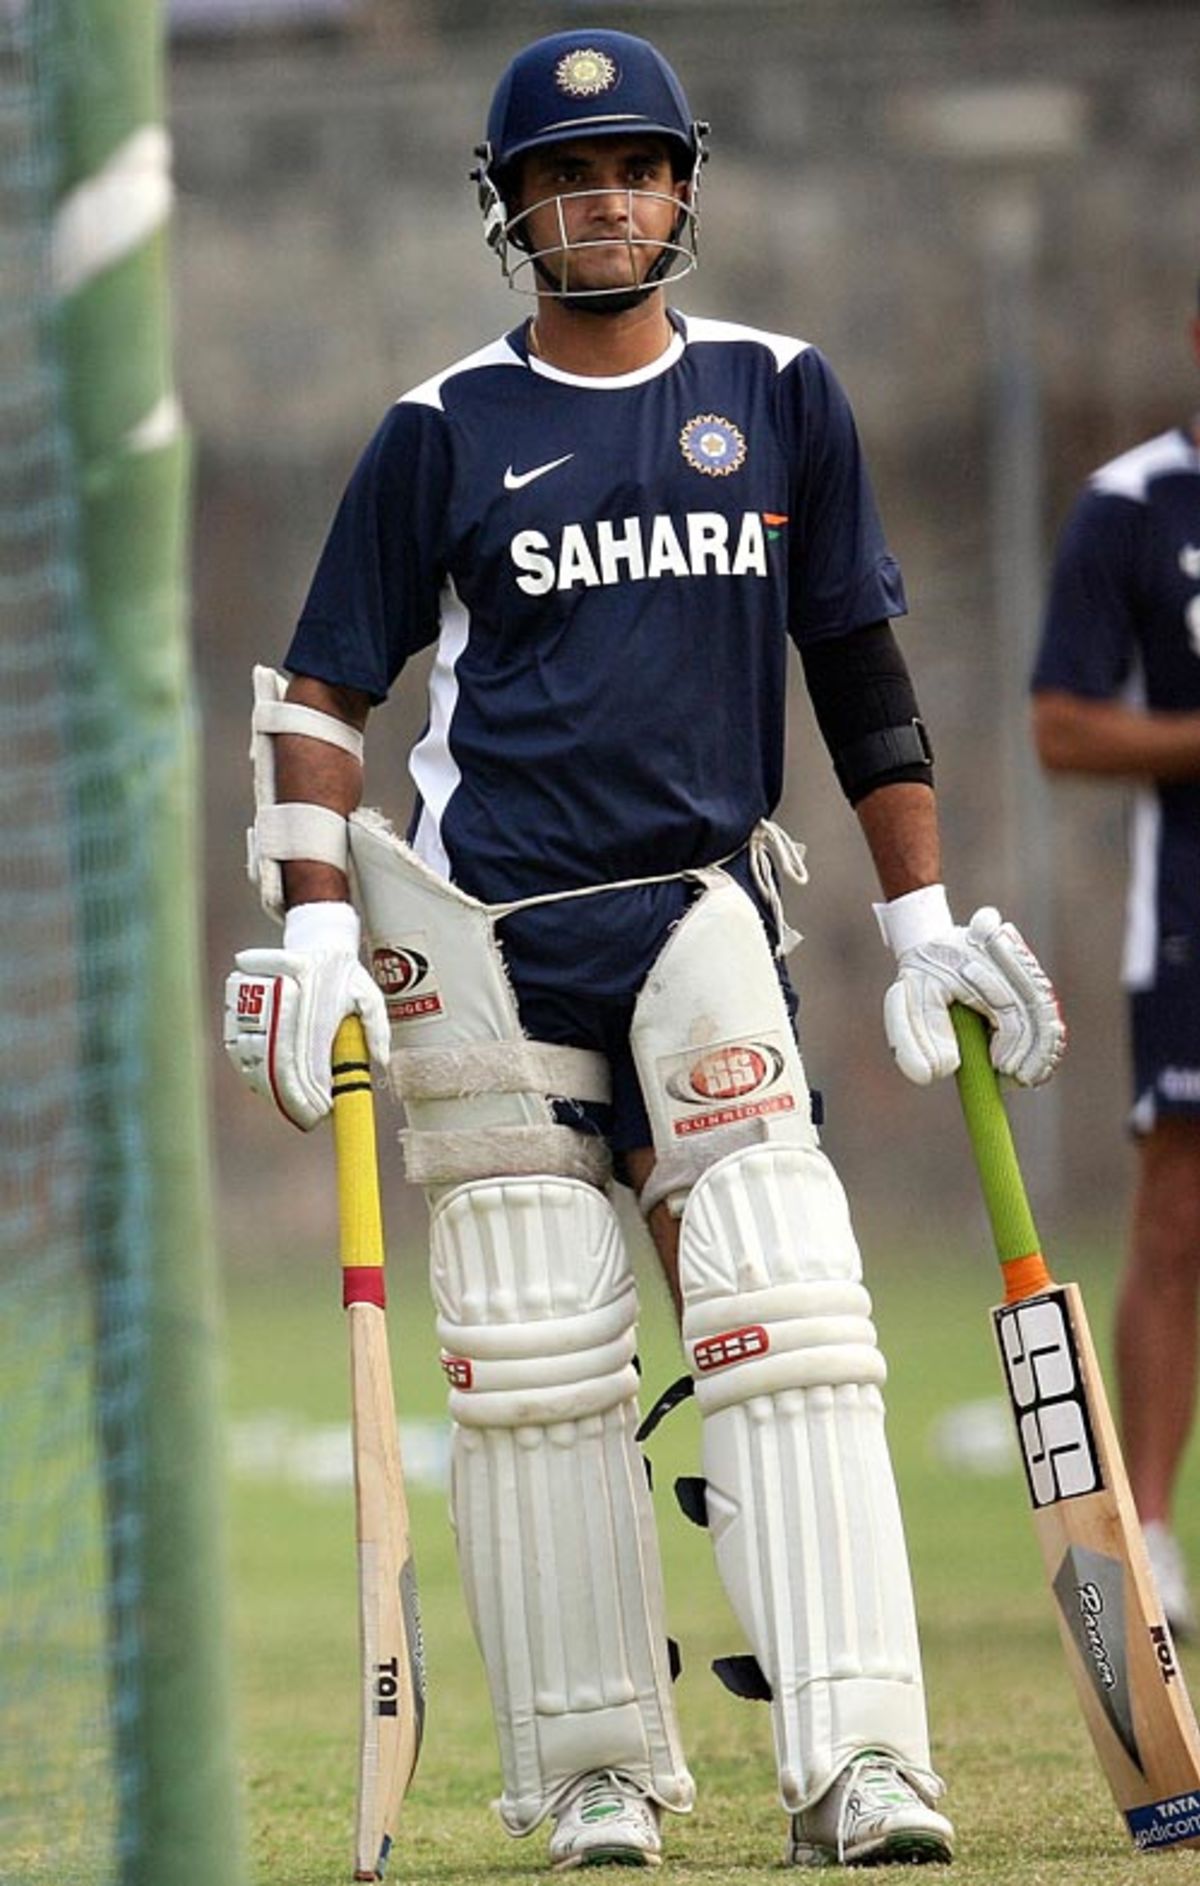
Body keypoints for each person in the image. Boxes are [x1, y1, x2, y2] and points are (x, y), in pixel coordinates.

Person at [225, 27, 1064, 1871]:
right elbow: (320, 695)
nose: (604, 200)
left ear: (684, 188)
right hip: (495, 943)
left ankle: (861, 1760)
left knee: (793, 1323)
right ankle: (600, 1767)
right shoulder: (443, 427)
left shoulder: (780, 393)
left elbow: (858, 670)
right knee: (534, 1368)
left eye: (633, 169)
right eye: (565, 175)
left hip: (703, 917)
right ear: (513, 209)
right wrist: (309, 934)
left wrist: (919, 921)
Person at [1030, 297, 1200, 1642]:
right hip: (1191, 914)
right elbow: (1063, 723)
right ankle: (1147, 1528)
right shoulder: (1132, 505)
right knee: (1179, 1214)